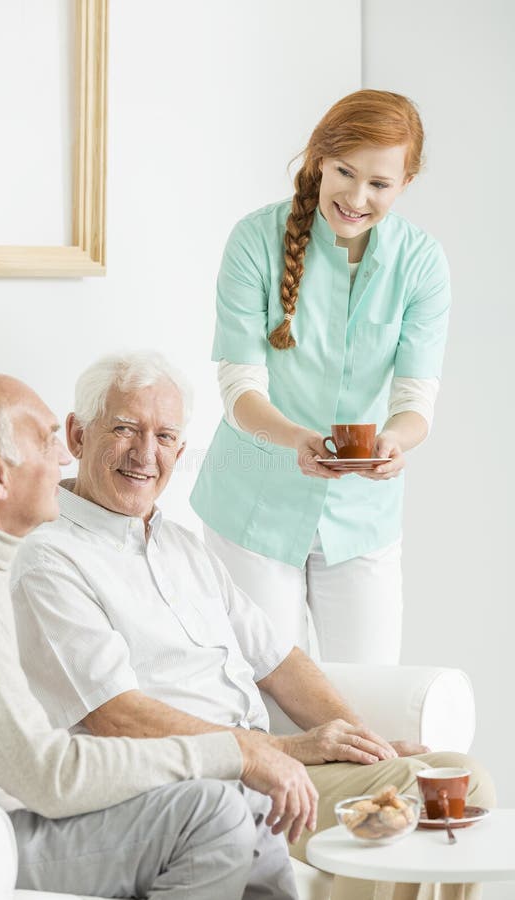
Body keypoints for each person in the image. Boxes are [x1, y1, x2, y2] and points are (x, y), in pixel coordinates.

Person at [11, 353, 493, 900]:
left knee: (460, 781)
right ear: (77, 435)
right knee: (431, 799)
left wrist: (367, 744)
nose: (145, 453)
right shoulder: (49, 559)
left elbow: (280, 663)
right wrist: (277, 751)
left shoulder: (183, 546)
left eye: (165, 436)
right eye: (124, 428)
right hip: (189, 789)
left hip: (270, 768)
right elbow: (116, 716)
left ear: (179, 452)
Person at [0, 372, 316, 900]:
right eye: (47, 442)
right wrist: (234, 752)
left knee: (235, 806)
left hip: (13, 807)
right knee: (214, 811)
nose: (64, 457)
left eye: (166, 436)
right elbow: (49, 776)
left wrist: (241, 755)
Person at [189, 89, 451, 667]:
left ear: (405, 183)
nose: (356, 198)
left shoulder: (422, 263)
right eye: (345, 172)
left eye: (379, 183)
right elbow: (239, 390)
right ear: (319, 159)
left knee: (367, 690)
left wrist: (396, 441)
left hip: (363, 516)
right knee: (268, 696)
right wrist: (297, 440)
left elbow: (416, 398)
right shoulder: (255, 240)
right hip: (253, 507)